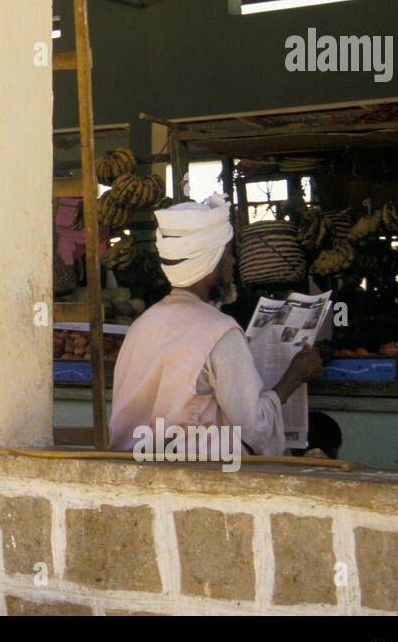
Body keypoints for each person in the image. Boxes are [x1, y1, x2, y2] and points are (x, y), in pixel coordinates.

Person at [108, 193, 322, 456]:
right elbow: (256, 427)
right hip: (196, 478)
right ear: (212, 261)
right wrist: (295, 376)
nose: (233, 263)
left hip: (136, 473)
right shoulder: (219, 331)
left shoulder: (142, 324)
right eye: (229, 253)